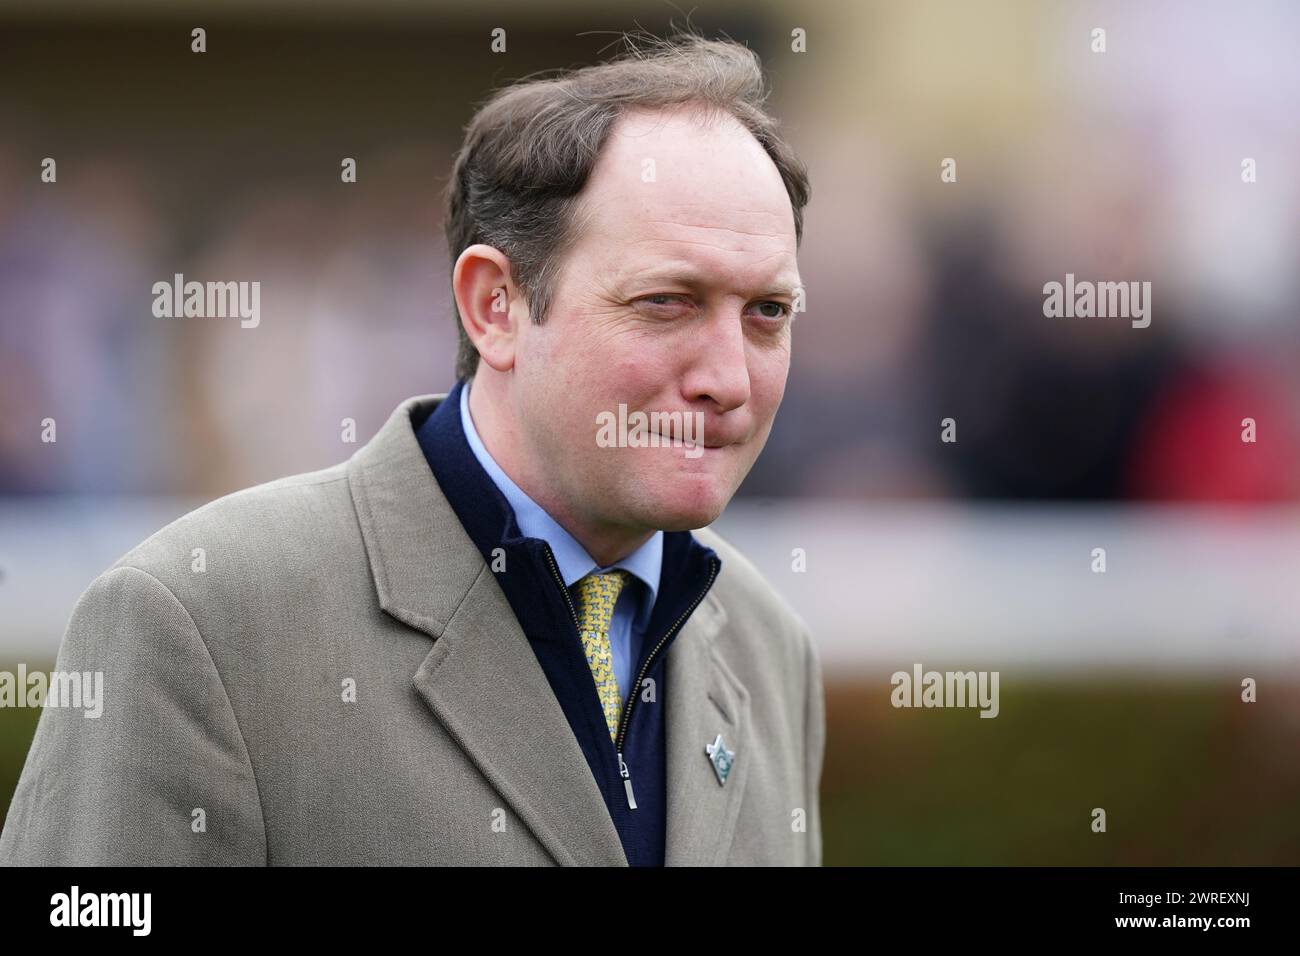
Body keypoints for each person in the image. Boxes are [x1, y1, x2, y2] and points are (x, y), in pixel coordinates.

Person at [1, 32, 823, 866]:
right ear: (495, 306)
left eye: (767, 313)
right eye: (666, 302)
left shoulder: (766, 644)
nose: (729, 377)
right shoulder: (199, 621)